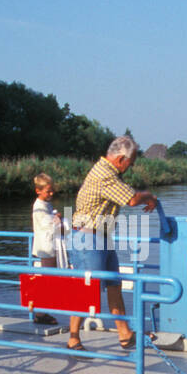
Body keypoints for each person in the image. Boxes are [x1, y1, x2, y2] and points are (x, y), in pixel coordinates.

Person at [66, 135, 157, 351]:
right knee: (86, 290)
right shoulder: (105, 174)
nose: (132, 165)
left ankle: (125, 334)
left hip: (101, 236)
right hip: (88, 239)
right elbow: (132, 199)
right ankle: (73, 338)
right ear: (120, 159)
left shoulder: (110, 172)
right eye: (131, 161)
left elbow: (128, 195)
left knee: (114, 285)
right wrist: (149, 195)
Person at [30, 173, 62, 325]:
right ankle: (40, 313)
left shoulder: (46, 205)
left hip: (50, 245)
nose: (51, 193)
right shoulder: (38, 207)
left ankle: (42, 311)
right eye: (48, 191)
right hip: (46, 247)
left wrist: (57, 218)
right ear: (38, 190)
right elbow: (50, 224)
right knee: (47, 279)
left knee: (50, 279)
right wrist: (59, 218)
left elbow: (55, 223)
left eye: (52, 190)